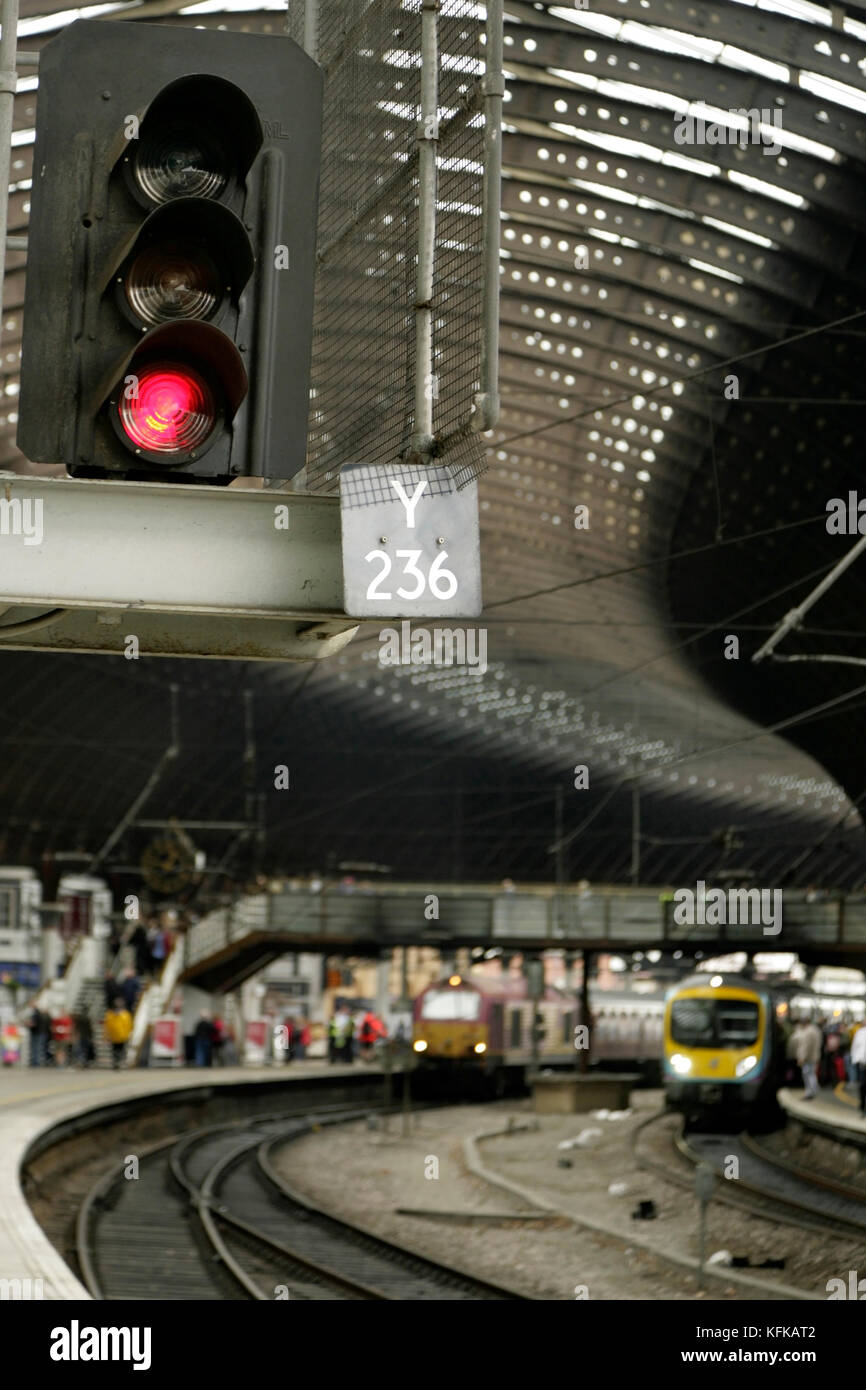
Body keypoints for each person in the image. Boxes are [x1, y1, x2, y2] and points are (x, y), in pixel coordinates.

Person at [791, 1015, 823, 1100]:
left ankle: (811, 1091)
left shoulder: (808, 1032)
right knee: (811, 1073)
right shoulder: (816, 1030)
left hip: (808, 1057)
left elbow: (805, 1046)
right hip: (814, 1056)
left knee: (808, 1074)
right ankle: (814, 1089)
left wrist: (802, 1057)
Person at [103, 998, 133, 1070]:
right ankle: (116, 1062)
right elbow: (107, 1026)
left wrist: (129, 1033)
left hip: (122, 1036)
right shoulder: (110, 1015)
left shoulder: (125, 1014)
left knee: (121, 1050)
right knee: (115, 1051)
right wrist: (106, 1035)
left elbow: (129, 1025)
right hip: (114, 1036)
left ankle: (119, 1062)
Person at [27, 1002, 51, 1067]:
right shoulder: (41, 1015)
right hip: (41, 1033)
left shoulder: (36, 1014)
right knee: (39, 1048)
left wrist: (28, 1024)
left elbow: (33, 1024)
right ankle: (37, 1061)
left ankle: (36, 1062)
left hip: (37, 1033)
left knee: (36, 1048)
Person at [851, 1022, 866, 1114]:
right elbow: (855, 1046)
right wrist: (855, 1058)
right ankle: (862, 1106)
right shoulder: (860, 1032)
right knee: (863, 1085)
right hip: (862, 1064)